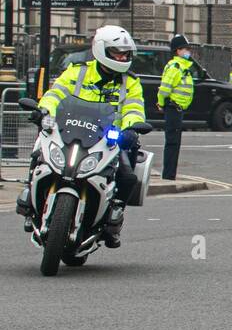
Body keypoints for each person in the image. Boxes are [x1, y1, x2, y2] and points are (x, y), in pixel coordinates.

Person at [16, 25, 147, 247]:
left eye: (125, 53)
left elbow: (134, 108)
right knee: (39, 153)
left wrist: (132, 128)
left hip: (106, 139)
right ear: (101, 50)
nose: (122, 57)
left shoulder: (130, 82)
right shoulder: (77, 71)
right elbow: (55, 94)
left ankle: (113, 218)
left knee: (127, 176)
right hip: (69, 130)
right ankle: (29, 197)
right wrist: (43, 111)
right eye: (117, 52)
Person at [157, 34, 198, 181]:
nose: (188, 51)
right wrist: (161, 103)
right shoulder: (175, 67)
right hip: (173, 108)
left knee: (175, 143)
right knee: (172, 143)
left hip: (178, 109)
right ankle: (168, 175)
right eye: (185, 49)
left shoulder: (183, 67)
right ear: (177, 50)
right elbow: (164, 89)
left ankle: (170, 174)